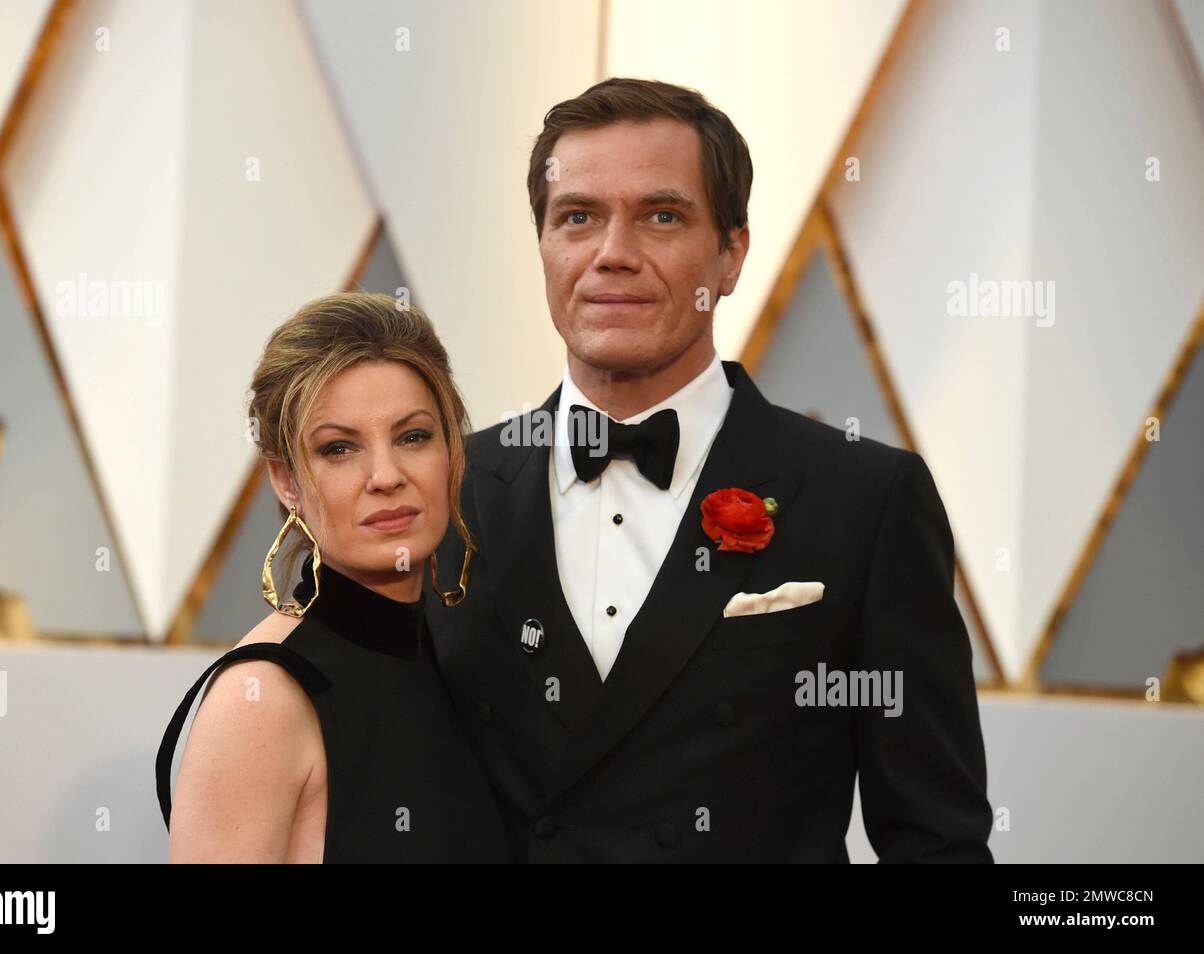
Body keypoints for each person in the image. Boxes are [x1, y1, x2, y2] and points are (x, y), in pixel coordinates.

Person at [423, 78, 994, 862]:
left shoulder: (867, 502)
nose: (611, 254)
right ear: (545, 249)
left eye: (661, 216)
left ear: (731, 254)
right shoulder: (442, 490)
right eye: (578, 217)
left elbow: (937, 841)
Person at [155, 292, 510, 862]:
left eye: (413, 436)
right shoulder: (263, 700)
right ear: (286, 481)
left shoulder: (447, 657)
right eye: (338, 448)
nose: (386, 476)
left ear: (454, 453)